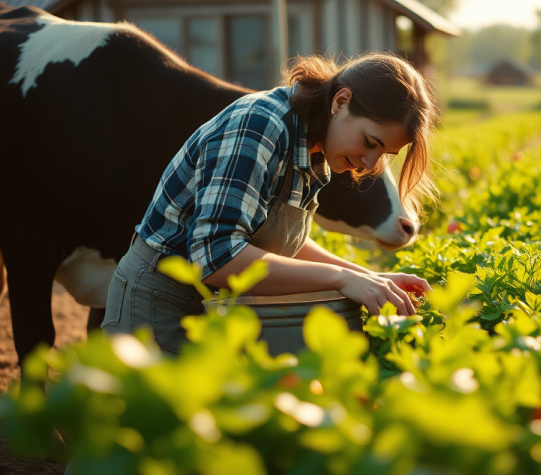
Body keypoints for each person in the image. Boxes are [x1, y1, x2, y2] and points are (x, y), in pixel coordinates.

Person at [101, 52, 439, 354]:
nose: (369, 163)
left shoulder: (314, 145)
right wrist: (340, 278)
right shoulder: (260, 125)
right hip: (157, 302)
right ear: (340, 101)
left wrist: (368, 276)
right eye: (370, 142)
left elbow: (276, 237)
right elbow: (217, 255)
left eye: (384, 154)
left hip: (208, 307)